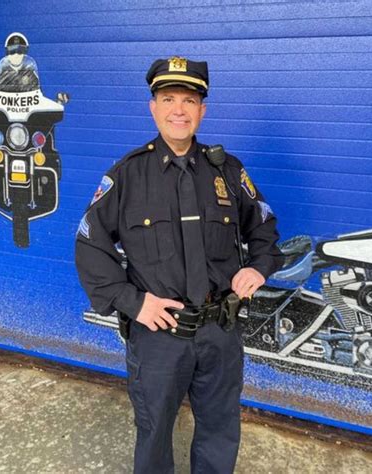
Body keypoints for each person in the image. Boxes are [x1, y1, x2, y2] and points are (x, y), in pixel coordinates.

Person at [75, 56, 284, 473]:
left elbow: (264, 227)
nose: (179, 110)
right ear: (152, 107)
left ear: (202, 110)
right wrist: (133, 303)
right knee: (153, 430)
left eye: (189, 100)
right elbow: (89, 244)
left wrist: (258, 267)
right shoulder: (127, 175)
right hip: (159, 336)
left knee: (220, 427)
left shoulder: (228, 171)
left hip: (219, 330)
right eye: (168, 98)